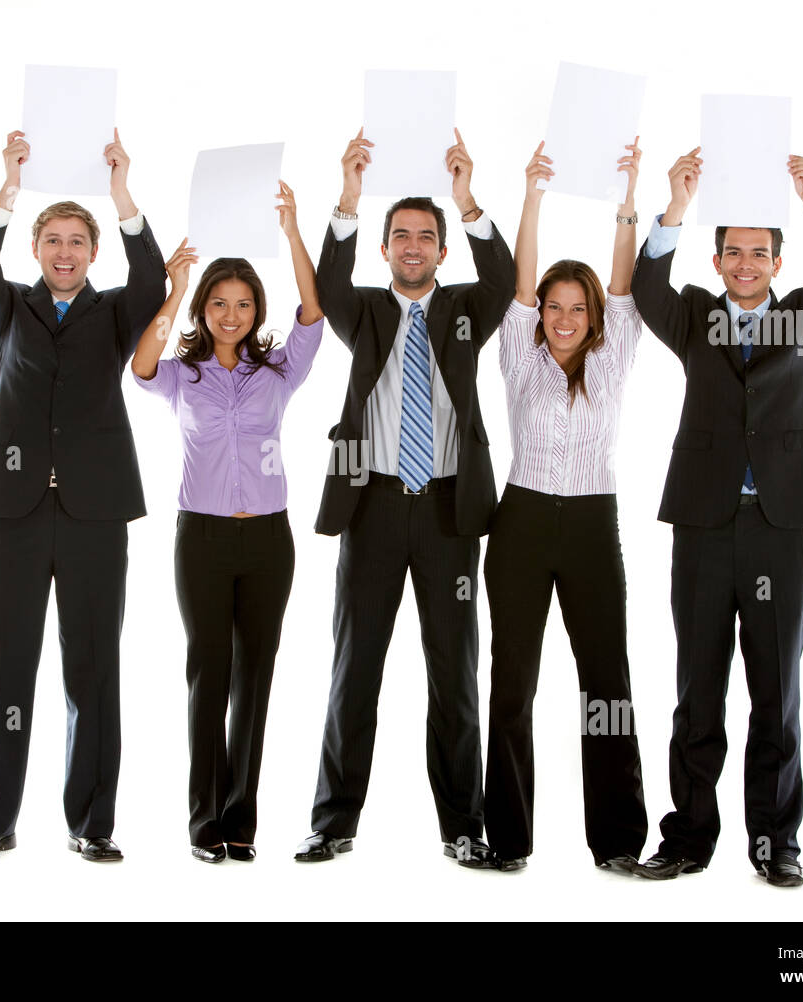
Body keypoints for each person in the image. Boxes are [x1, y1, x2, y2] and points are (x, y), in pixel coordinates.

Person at [630, 148, 803, 886]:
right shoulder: (695, 316)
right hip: (702, 527)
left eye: (758, 253)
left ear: (777, 259)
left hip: (778, 525)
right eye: (732, 251)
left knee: (776, 689)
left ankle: (775, 841)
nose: (744, 264)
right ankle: (688, 837)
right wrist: (673, 203)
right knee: (698, 689)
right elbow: (645, 286)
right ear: (717, 254)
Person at [294, 128, 515, 867]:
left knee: (454, 671)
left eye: (426, 236)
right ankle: (333, 820)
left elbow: (505, 280)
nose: (413, 245)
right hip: (375, 505)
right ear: (385, 249)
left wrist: (467, 200)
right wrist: (349, 197)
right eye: (401, 236)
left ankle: (464, 826)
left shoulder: (464, 309)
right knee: (355, 667)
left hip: (451, 510)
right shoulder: (364, 311)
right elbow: (322, 290)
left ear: (442, 250)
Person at [0, 129, 166, 862]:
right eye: (54, 240)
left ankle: (92, 821)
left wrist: (122, 194)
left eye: (78, 241)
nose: (66, 251)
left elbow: (155, 282)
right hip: (15, 510)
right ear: (37, 248)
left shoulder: (114, 312)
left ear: (92, 251)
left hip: (96, 512)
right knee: (6, 665)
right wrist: (9, 183)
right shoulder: (6, 307)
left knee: (93, 667)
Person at [132, 182, 324, 863]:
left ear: (254, 310)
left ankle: (241, 820)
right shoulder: (181, 375)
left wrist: (295, 232)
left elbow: (313, 312)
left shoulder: (278, 371)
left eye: (243, 304)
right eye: (219, 302)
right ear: (205, 308)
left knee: (257, 673)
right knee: (208, 671)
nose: (232, 313)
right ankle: (203, 820)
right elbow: (142, 361)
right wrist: (176, 286)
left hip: (270, 539)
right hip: (204, 539)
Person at [483, 140, 648, 873]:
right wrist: (532, 198)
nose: (565, 316)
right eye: (555, 305)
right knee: (511, 678)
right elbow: (520, 282)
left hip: (589, 524)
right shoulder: (521, 351)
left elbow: (622, 283)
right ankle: (508, 840)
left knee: (605, 679)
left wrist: (628, 197)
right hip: (518, 520)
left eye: (577, 308)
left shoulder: (614, 356)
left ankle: (616, 840)